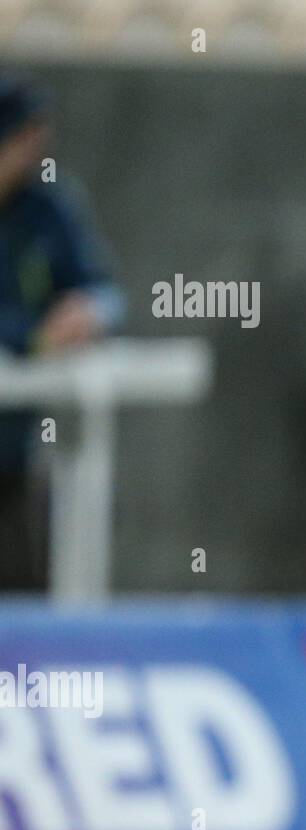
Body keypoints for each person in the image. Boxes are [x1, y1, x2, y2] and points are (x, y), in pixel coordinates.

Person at [0, 77, 124, 590]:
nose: (32, 151)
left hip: (16, 449)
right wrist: (32, 336)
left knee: (27, 590)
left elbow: (103, 290)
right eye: (20, 139)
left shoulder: (47, 208)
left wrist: (87, 312)